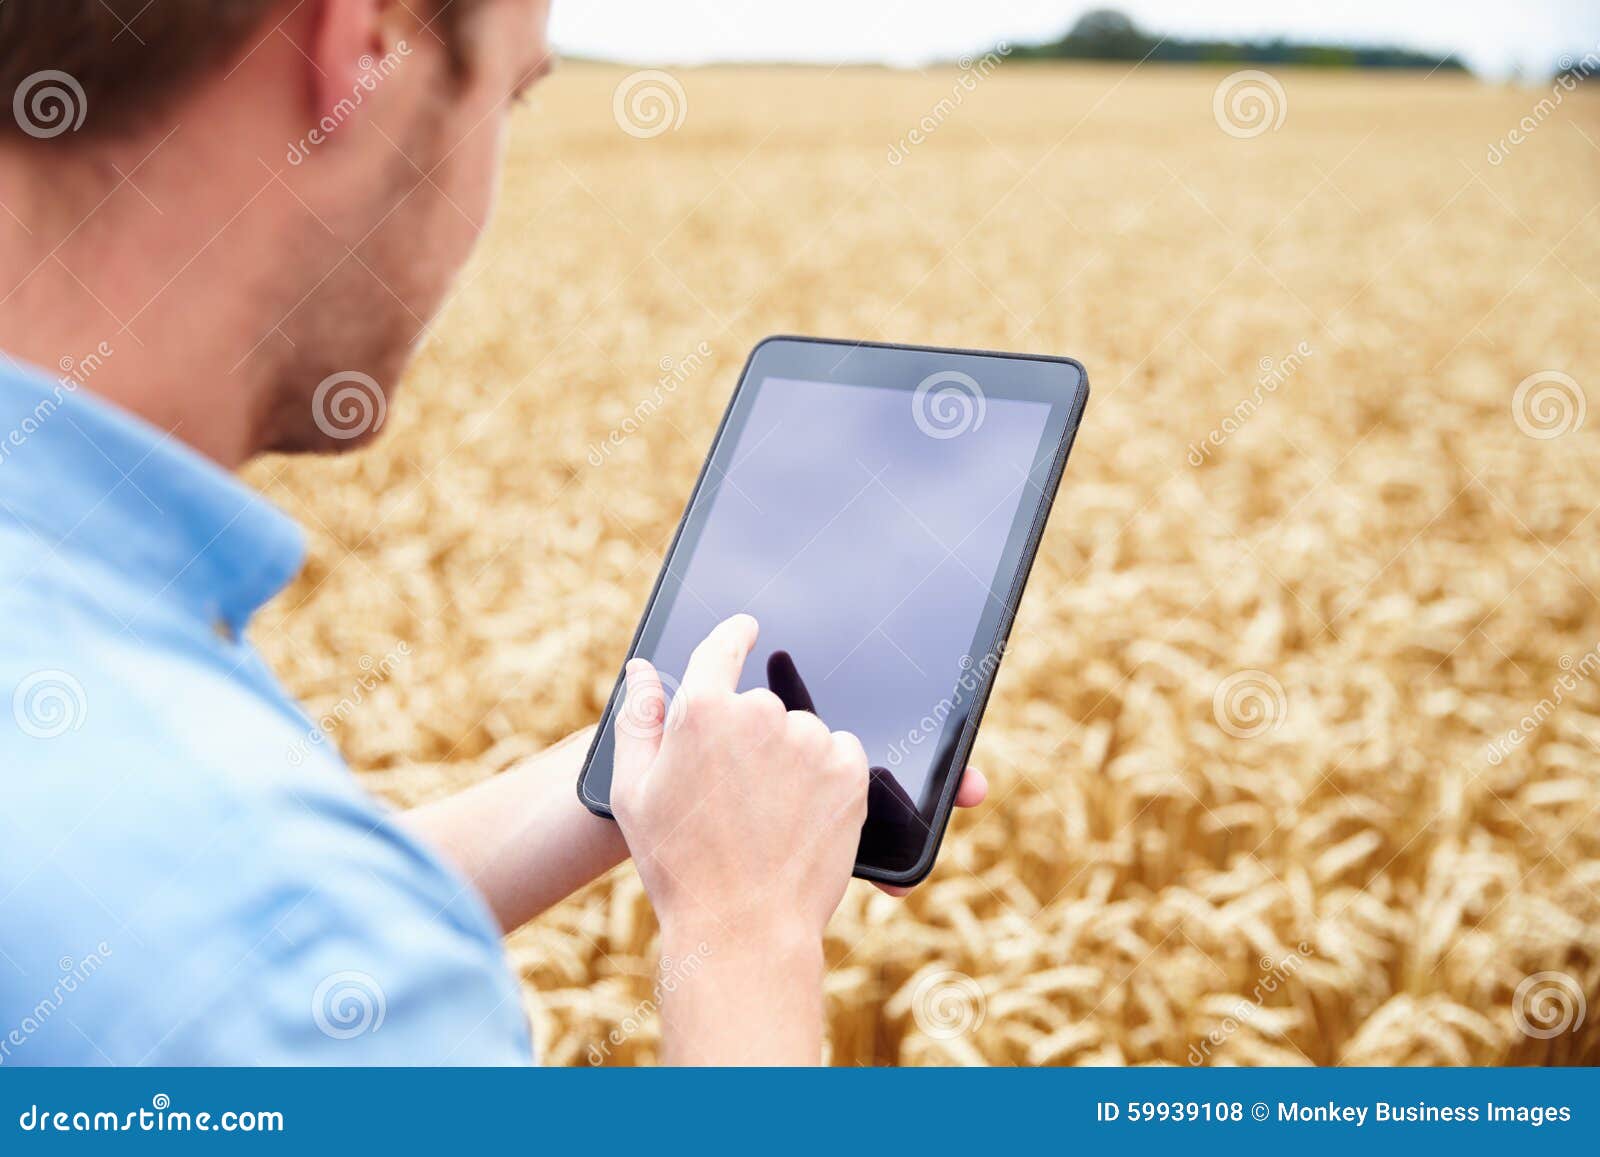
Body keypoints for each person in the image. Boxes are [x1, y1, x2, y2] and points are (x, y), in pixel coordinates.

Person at [0, 0, 985, 1066]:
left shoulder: (222, 888)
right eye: (510, 95)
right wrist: (743, 937)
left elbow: (168, 912)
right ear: (352, 54)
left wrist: (644, 757)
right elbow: (269, 946)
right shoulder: (282, 954)